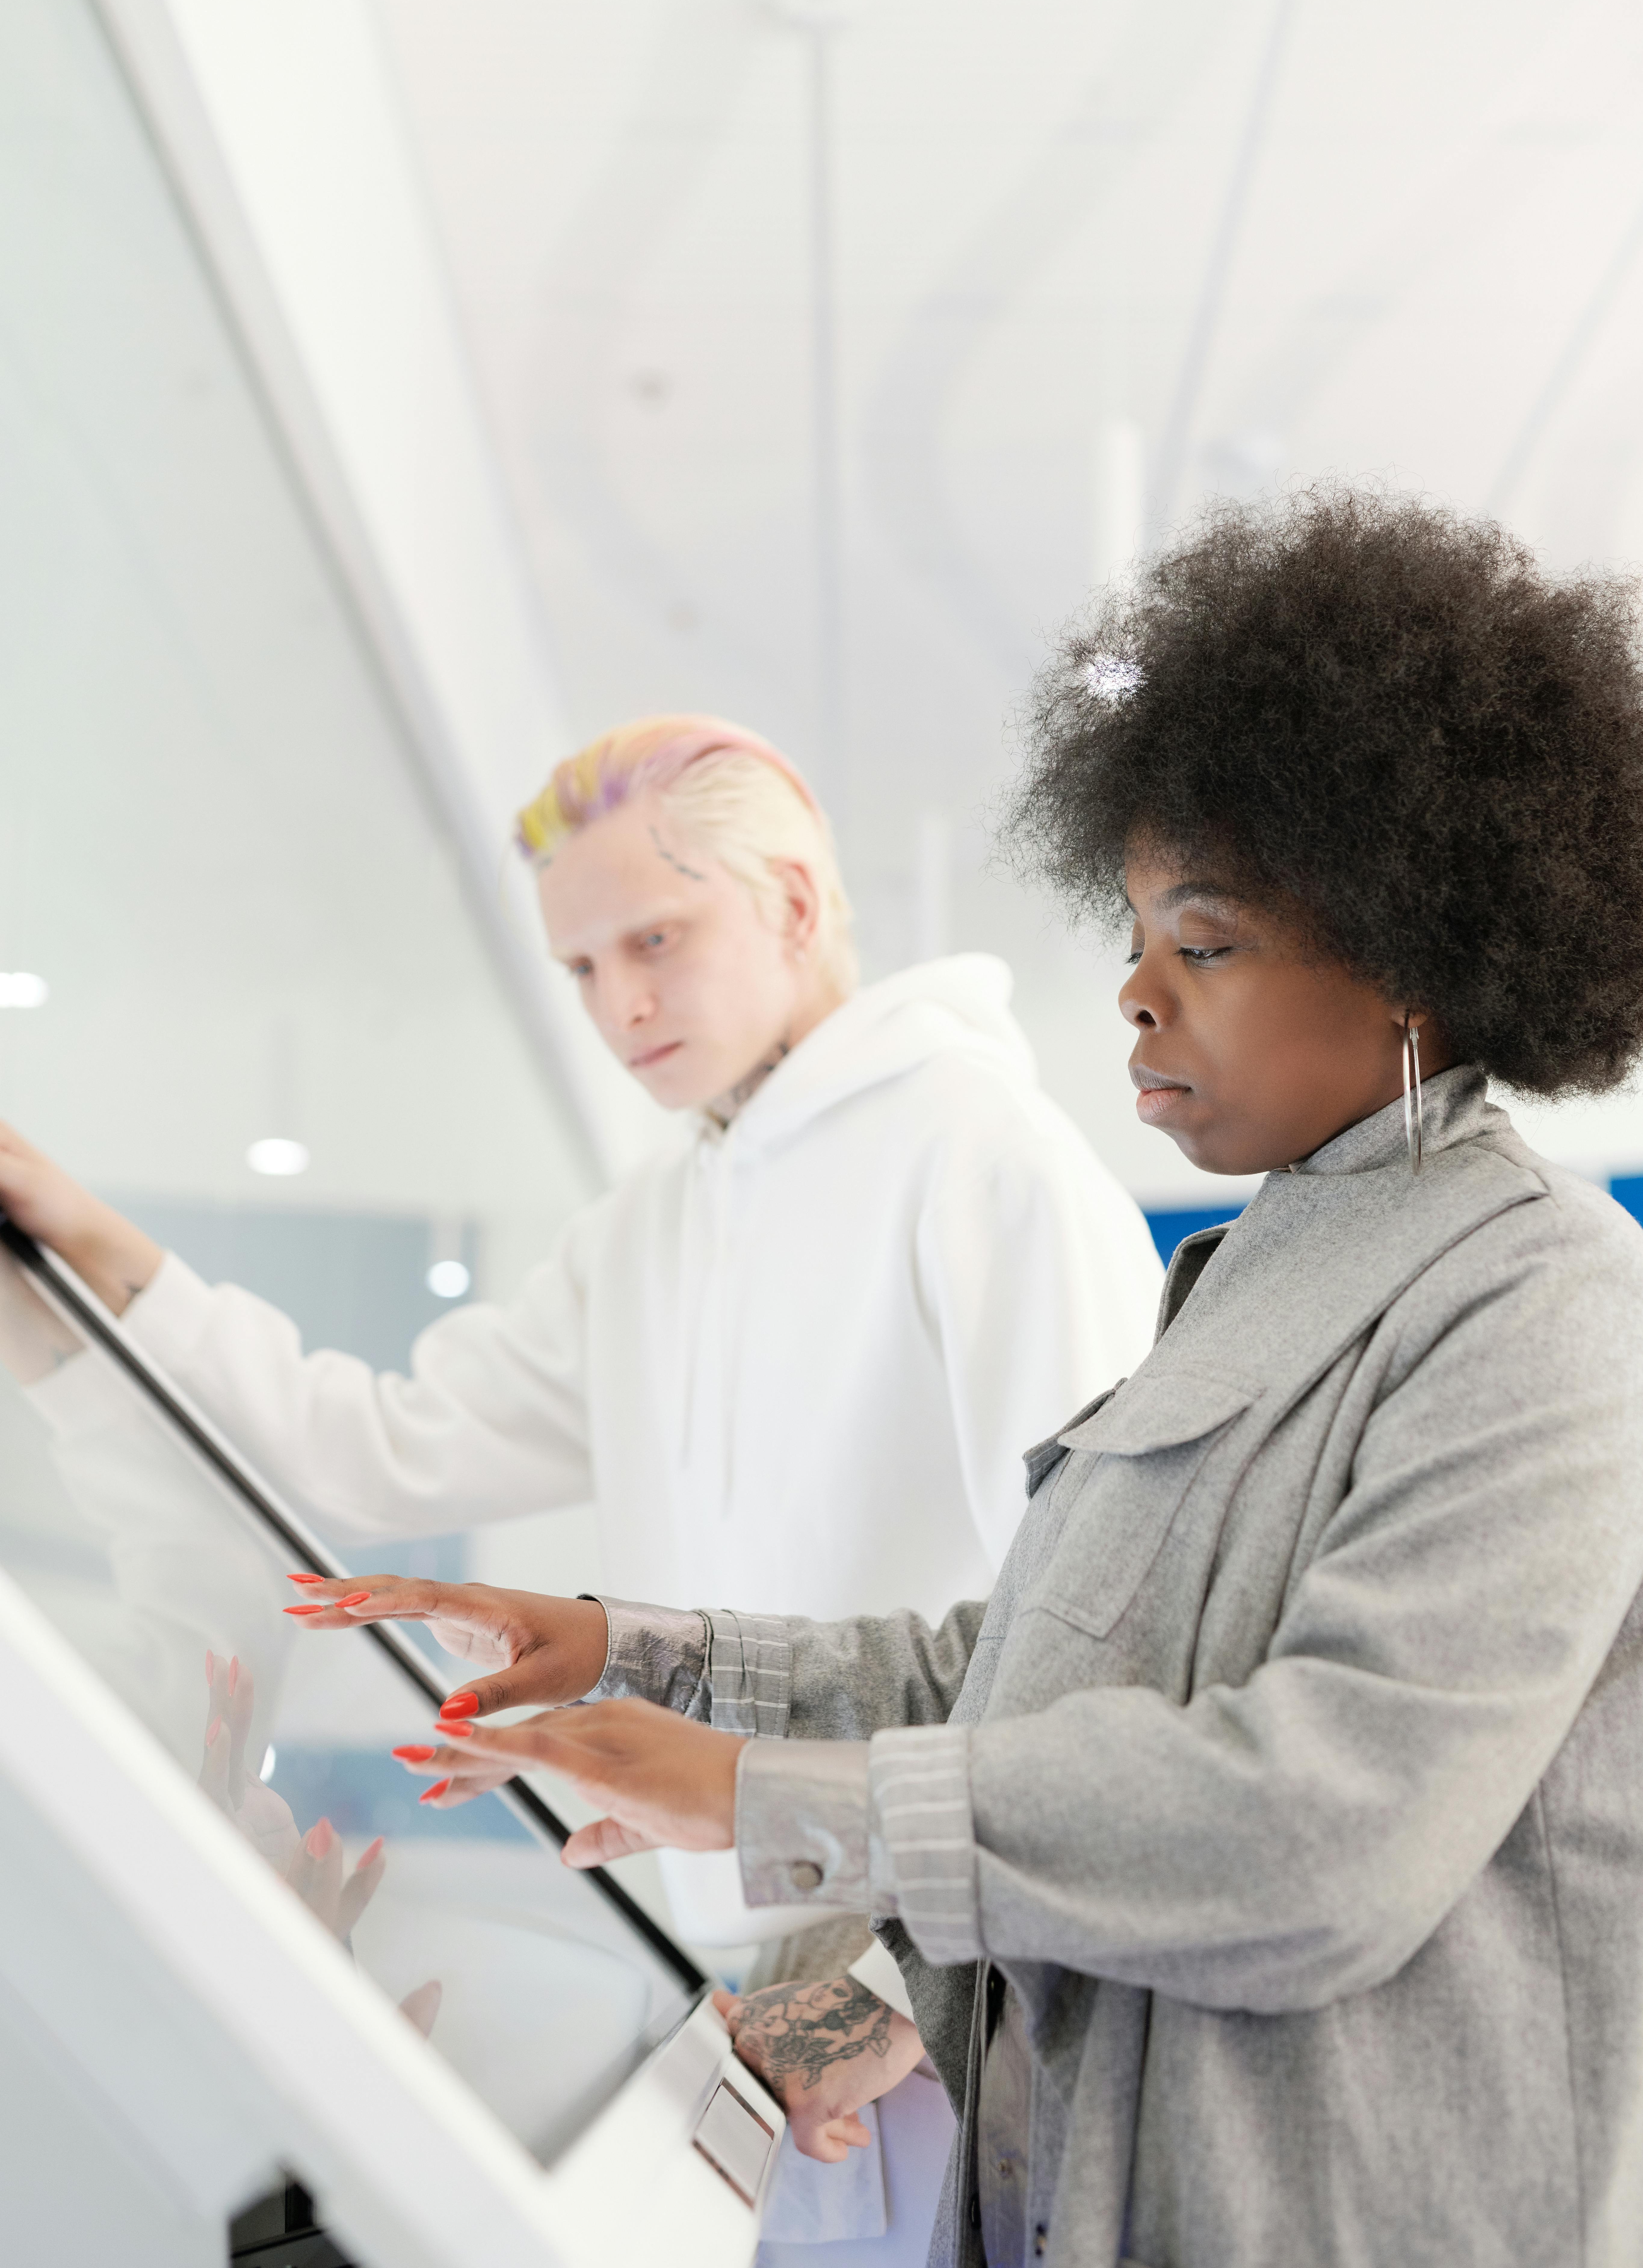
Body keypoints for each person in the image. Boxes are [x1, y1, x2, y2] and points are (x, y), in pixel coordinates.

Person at [286, 490, 1643, 2266]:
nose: (1136, 1001)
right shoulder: (1243, 1280)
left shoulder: (1550, 1309)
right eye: (1137, 938)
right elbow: (1008, 1675)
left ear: (1407, 946)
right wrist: (644, 1650)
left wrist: (758, 1803)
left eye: (1204, 944)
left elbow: (1320, 1835)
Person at [0, 712, 1162, 2257]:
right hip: (729, 2011)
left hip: (928, 2004)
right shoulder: (652, 1227)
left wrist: (900, 1991)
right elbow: (371, 1449)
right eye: (580, 968)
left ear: (798, 904)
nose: (620, 1006)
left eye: (656, 940)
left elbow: (1106, 1632)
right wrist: (94, 1260)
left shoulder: (988, 1162)